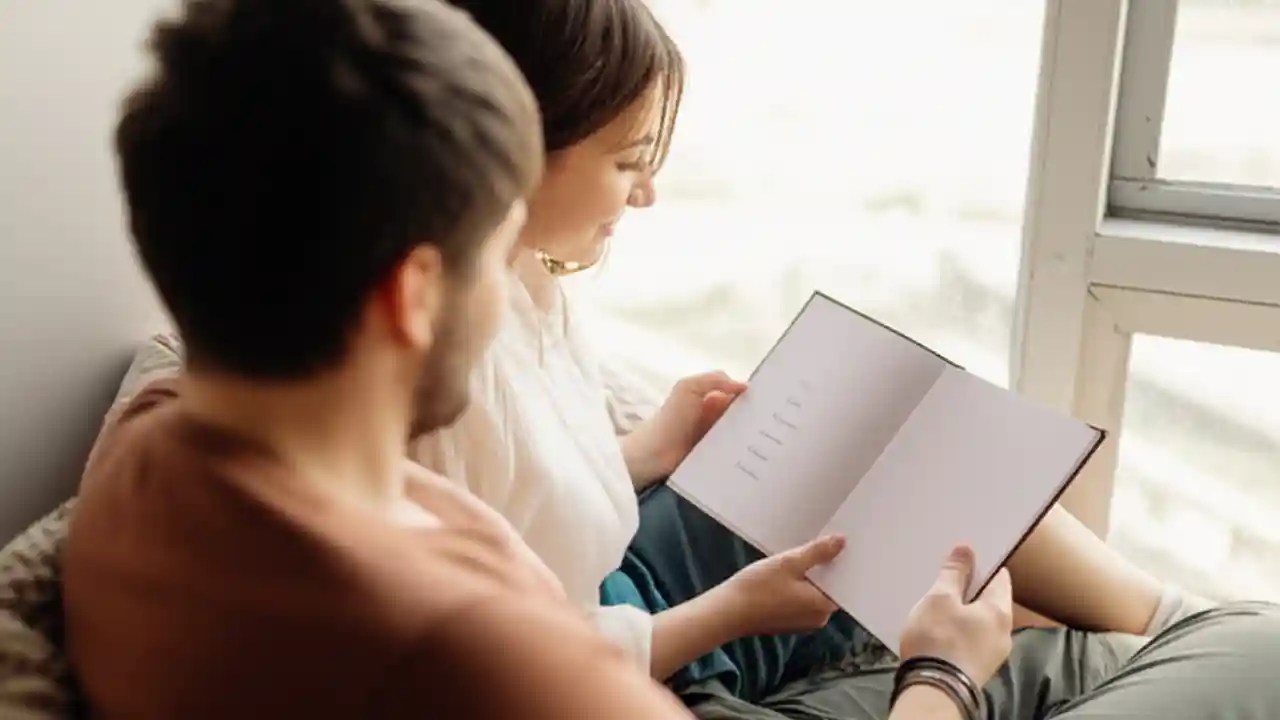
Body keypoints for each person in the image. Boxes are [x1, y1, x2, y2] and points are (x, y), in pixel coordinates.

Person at [413, 0, 1280, 718]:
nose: (647, 193)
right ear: (515, 152)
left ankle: (1174, 622)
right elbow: (515, 658)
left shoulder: (524, 277)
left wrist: (642, 452)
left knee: (885, 432)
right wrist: (916, 672)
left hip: (620, 584)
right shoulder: (444, 377)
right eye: (627, 162)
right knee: (1194, 648)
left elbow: (518, 497)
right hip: (616, 656)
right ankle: (1188, 641)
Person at [59, 0, 692, 717]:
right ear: (413, 293)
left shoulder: (146, 434)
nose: (508, 296)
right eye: (496, 255)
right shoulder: (490, 660)